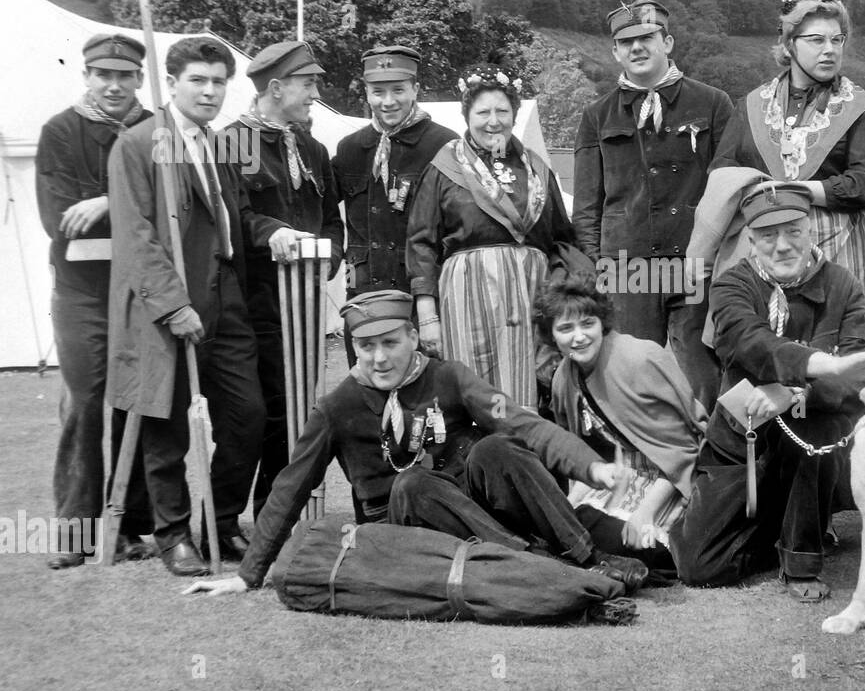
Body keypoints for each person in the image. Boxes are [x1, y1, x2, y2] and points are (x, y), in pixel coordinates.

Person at [184, 291, 647, 596]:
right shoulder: (336, 407)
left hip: (475, 511)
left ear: (412, 336)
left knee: (496, 448)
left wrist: (591, 468)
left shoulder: (448, 376)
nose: (379, 358)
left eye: (390, 342)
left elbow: (522, 422)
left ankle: (590, 559)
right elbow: (290, 486)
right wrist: (248, 576)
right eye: (366, 348)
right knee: (413, 483)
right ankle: (541, 569)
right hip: (408, 527)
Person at [106, 37, 308, 576]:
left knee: (248, 417)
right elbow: (135, 237)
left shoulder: (220, 146)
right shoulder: (139, 144)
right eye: (198, 80)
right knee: (167, 427)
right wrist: (174, 307)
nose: (210, 91)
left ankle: (218, 521)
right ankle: (174, 536)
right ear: (172, 83)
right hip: (165, 310)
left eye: (218, 81)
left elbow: (236, 220)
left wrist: (275, 231)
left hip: (227, 300)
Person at [676, 183, 865, 600]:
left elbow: (857, 376)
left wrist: (797, 396)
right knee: (698, 566)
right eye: (767, 236)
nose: (782, 246)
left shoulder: (842, 284)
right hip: (740, 440)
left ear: (810, 229)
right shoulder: (730, 286)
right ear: (751, 240)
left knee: (817, 429)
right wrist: (822, 367)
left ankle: (801, 561)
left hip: (811, 437)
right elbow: (753, 343)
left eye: (793, 231)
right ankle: (777, 530)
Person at [572, 0, 733, 408]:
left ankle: (706, 468)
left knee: (701, 378)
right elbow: (587, 205)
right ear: (615, 52)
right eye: (626, 43)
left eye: (647, 38)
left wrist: (715, 257)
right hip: (628, 269)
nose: (637, 48)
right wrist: (599, 266)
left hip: (692, 262)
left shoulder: (712, 104)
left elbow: (730, 185)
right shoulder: (597, 115)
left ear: (668, 42)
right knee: (633, 378)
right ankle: (641, 466)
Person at [35, 33, 152, 567]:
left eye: (124, 76)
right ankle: (75, 529)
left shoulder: (156, 130)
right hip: (82, 292)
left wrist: (108, 200)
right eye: (103, 75)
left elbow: (171, 216)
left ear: (138, 80)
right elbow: (61, 225)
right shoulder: (61, 131)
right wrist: (131, 214)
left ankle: (128, 527)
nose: (114, 85)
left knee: (136, 404)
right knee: (84, 405)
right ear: (87, 76)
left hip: (139, 290)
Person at [710, 0, 865, 338]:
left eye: (837, 40)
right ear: (789, 45)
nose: (830, 50)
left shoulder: (859, 106)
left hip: (839, 251)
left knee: (834, 360)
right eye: (816, 40)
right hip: (769, 249)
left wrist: (795, 189)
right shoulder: (752, 105)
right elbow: (721, 174)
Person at [407, 69, 582, 408]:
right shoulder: (444, 167)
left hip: (532, 293)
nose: (493, 121)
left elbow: (562, 238)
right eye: (482, 112)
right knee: (476, 386)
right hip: (468, 295)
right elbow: (421, 242)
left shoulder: (537, 169)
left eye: (502, 111)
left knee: (534, 381)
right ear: (467, 115)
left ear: (514, 116)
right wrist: (427, 316)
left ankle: (529, 454)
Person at [228, 40, 344, 515]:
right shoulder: (237, 142)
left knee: (300, 408)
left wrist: (329, 255)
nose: (316, 92)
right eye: (308, 82)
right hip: (254, 300)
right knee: (261, 412)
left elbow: (332, 220)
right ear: (275, 88)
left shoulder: (312, 148)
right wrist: (274, 231)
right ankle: (239, 513)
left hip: (306, 300)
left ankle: (275, 511)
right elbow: (237, 216)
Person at [539, 279, 707, 578]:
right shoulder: (563, 378)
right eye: (566, 329)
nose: (578, 337)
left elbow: (682, 450)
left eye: (587, 324)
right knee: (567, 526)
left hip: (670, 480)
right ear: (551, 335)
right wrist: (563, 512)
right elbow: (580, 456)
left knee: (636, 542)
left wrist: (645, 514)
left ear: (601, 322)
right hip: (615, 475)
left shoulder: (638, 358)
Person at [331, 44, 456, 318]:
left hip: (423, 300)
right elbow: (320, 207)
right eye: (378, 92)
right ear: (366, 93)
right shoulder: (350, 149)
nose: (388, 102)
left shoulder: (444, 146)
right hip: (362, 295)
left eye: (398, 90)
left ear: (416, 89)